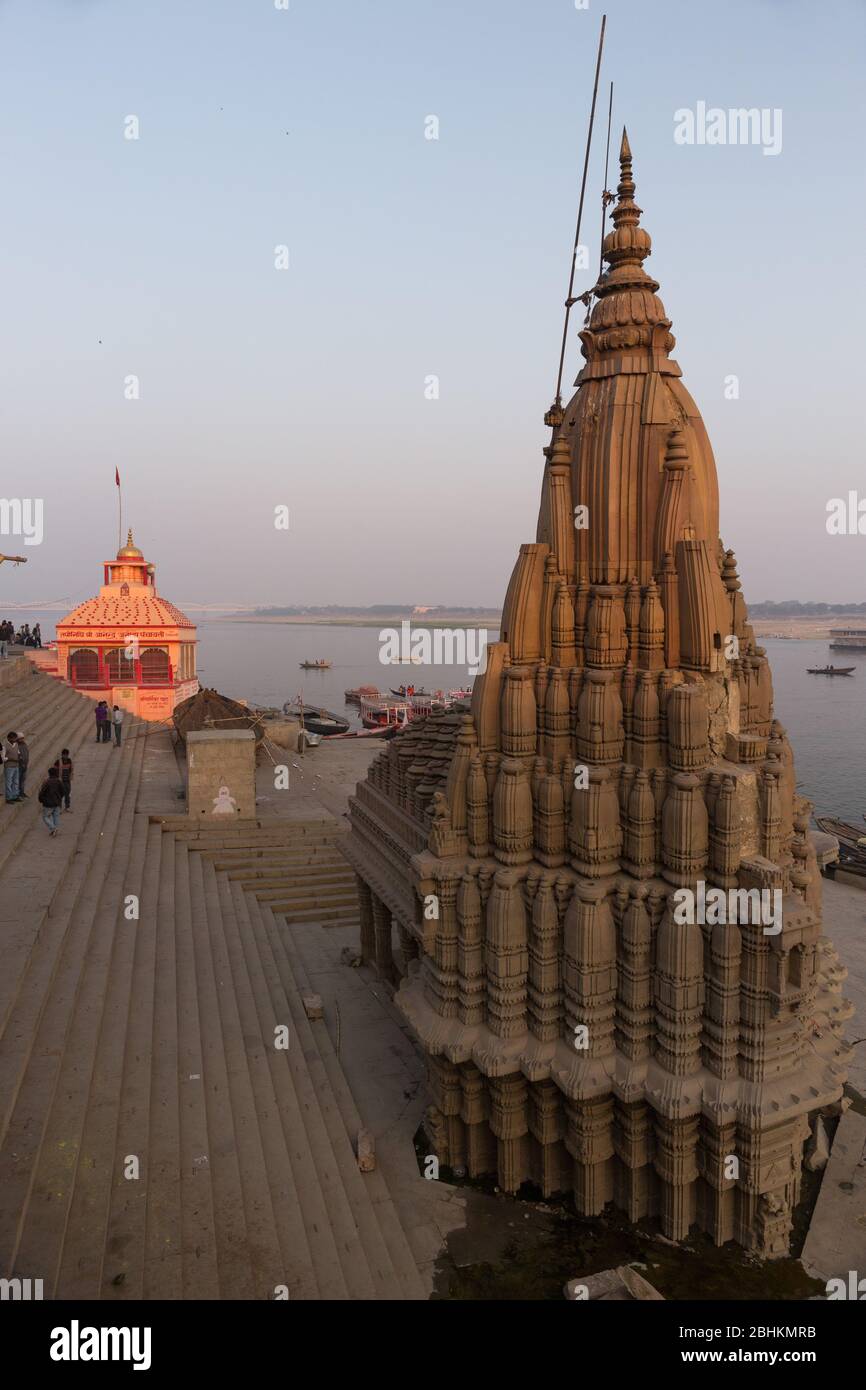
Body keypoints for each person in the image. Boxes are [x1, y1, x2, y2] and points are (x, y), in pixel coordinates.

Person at [38, 765, 64, 836]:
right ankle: (55, 830)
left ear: (49, 773)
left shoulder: (46, 782)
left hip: (48, 803)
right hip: (57, 802)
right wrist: (59, 798)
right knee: (56, 817)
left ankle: (53, 828)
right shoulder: (59, 781)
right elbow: (63, 791)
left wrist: (41, 800)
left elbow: (41, 793)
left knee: (45, 817)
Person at [4, 732, 21, 803]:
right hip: (9, 767)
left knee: (16, 781)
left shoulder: (16, 744)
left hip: (16, 765)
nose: (15, 740)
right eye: (13, 738)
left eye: (15, 738)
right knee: (9, 782)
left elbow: (18, 752)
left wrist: (19, 757)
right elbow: (3, 758)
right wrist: (11, 759)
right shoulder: (5, 746)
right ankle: (9, 797)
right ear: (9, 738)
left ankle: (15, 795)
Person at [16, 733, 29, 797]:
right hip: (19, 765)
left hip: (25, 765)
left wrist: (26, 763)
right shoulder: (16, 746)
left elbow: (27, 754)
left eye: (23, 738)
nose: (22, 739)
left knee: (23, 780)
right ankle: (17, 793)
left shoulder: (24, 745)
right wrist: (22, 763)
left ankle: (22, 792)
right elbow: (18, 756)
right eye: (21, 738)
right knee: (18, 780)